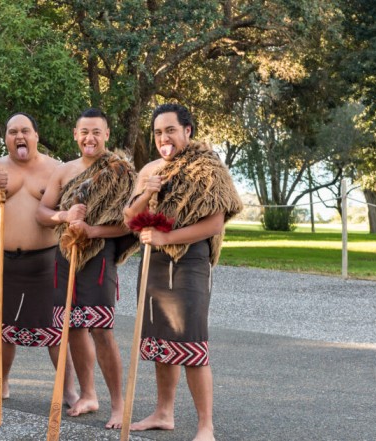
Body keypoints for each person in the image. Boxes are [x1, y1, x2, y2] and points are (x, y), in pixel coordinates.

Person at [123, 104, 242, 441]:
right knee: (162, 342)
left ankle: (206, 426)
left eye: (170, 130)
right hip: (155, 264)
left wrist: (168, 237)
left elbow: (215, 222)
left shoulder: (207, 168)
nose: (164, 137)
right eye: (158, 132)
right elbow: (129, 218)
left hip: (190, 262)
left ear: (187, 131)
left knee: (190, 344)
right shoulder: (151, 169)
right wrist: (148, 191)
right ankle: (164, 413)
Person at [36, 108, 138, 428]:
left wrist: (92, 231)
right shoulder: (64, 171)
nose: (89, 138)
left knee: (101, 330)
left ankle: (119, 405)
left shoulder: (119, 172)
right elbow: (42, 212)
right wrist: (65, 217)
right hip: (66, 256)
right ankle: (88, 394)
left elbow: (129, 223)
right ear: (75, 135)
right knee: (73, 327)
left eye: (96, 132)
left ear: (107, 135)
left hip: (98, 255)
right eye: (84, 132)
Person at [0, 112, 78, 406]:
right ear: (6, 138)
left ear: (35, 136)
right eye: (12, 131)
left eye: (25, 131)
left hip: (45, 260)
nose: (19, 136)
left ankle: (68, 390)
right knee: (2, 326)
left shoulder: (56, 168)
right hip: (2, 259)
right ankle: (1, 384)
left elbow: (73, 204)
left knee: (54, 327)